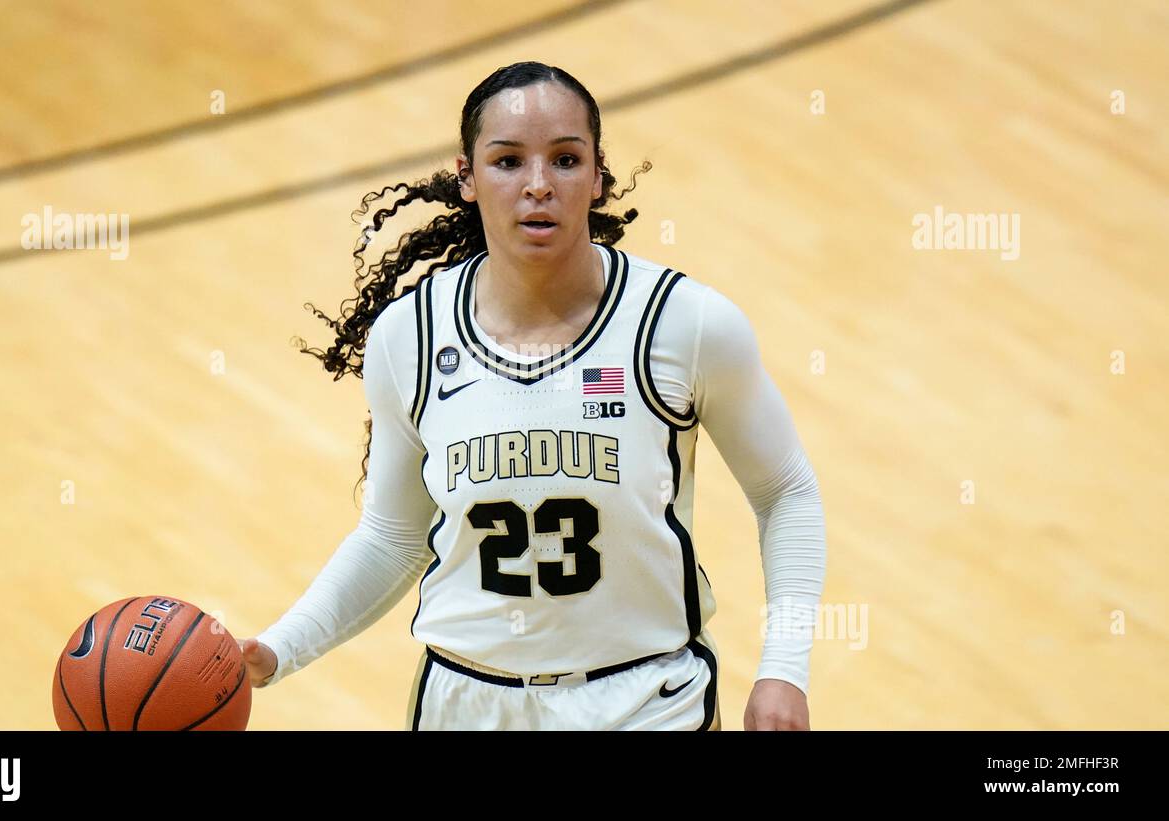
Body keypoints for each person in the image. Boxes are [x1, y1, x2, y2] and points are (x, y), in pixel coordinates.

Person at [238, 61, 826, 730]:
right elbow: (393, 536)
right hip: (464, 702)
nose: (539, 185)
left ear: (599, 174)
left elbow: (786, 492)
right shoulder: (410, 335)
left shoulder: (684, 324)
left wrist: (784, 668)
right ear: (467, 176)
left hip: (645, 700)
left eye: (566, 160)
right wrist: (278, 649)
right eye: (508, 161)